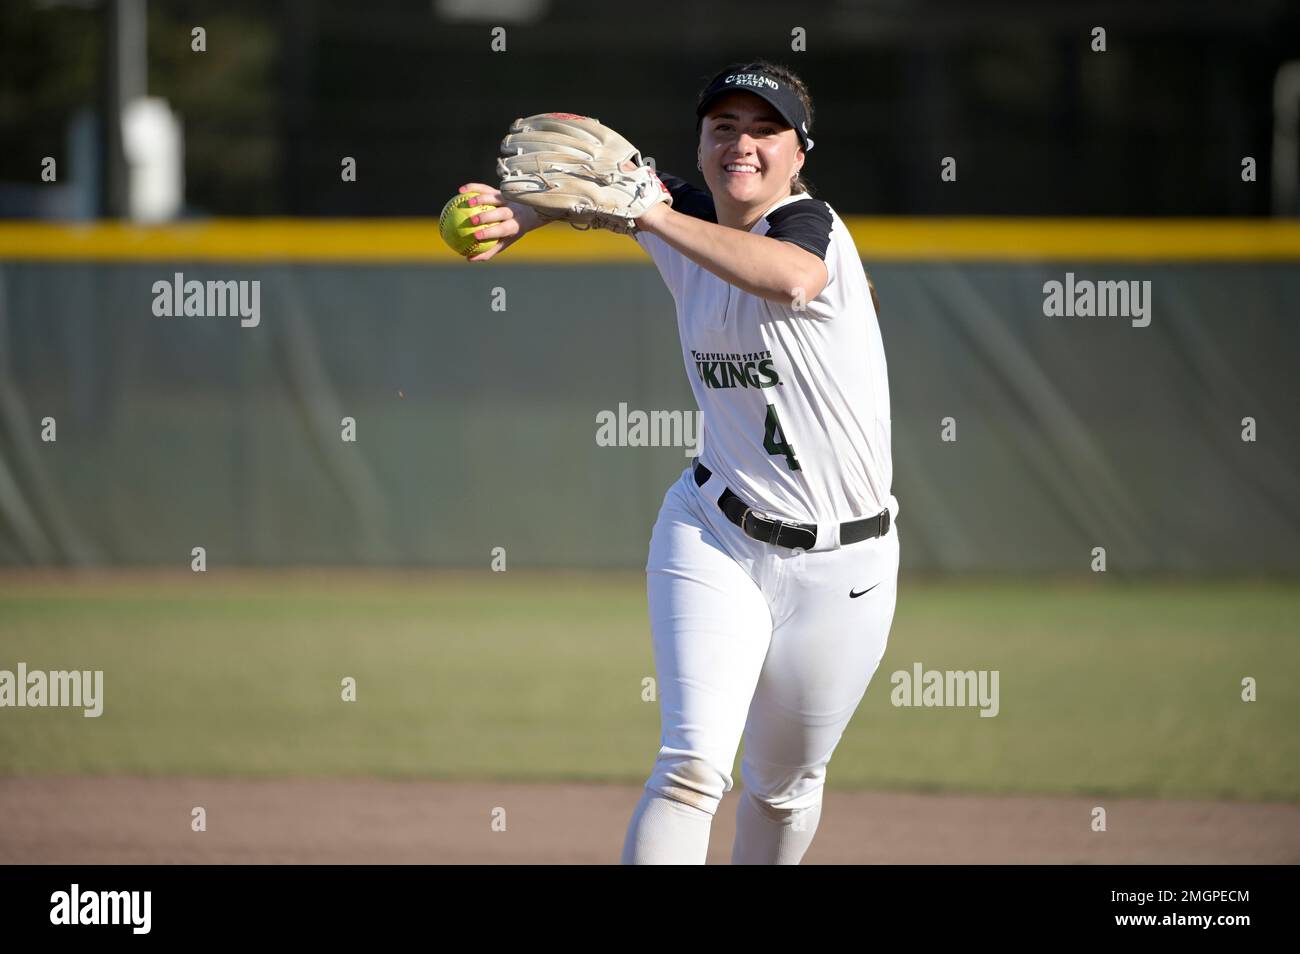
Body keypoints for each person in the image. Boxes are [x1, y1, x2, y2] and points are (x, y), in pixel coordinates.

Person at [457, 59, 899, 865]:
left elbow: (792, 281)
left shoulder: (813, 228)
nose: (743, 144)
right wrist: (524, 214)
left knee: (782, 788)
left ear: (800, 153)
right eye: (723, 128)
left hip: (846, 564)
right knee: (693, 769)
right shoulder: (670, 208)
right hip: (714, 532)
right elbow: (591, 186)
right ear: (699, 145)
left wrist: (646, 218)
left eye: (766, 130)